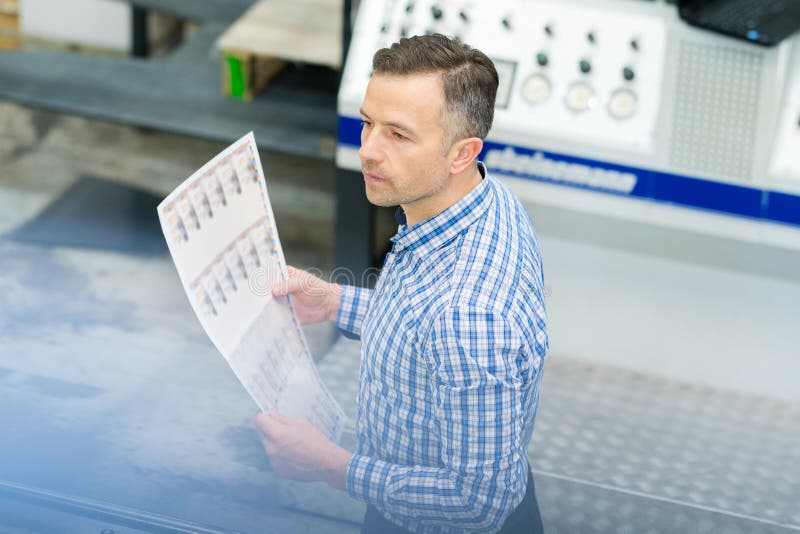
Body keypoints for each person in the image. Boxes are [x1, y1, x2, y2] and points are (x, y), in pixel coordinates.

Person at [254, 34, 548, 533]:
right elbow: (424, 328)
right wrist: (334, 302)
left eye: (399, 135)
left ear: (462, 152)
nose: (368, 150)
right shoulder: (478, 199)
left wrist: (331, 465)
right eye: (368, 123)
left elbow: (479, 501)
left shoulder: (470, 314)